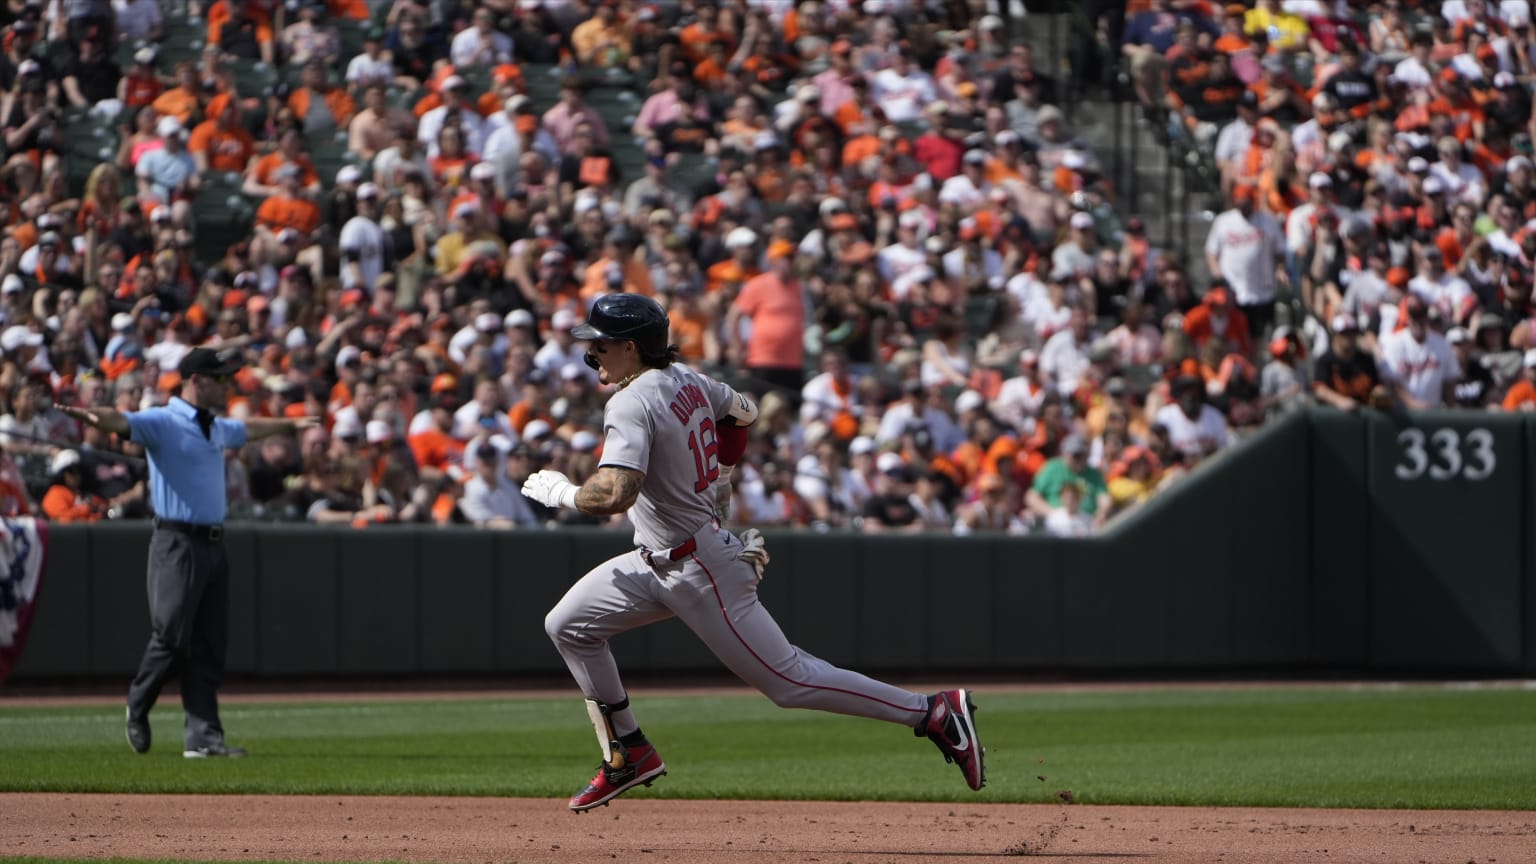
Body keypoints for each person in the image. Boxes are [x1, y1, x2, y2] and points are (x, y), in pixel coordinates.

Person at [520, 294, 985, 812]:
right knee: (568, 625)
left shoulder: (631, 401)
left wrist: (561, 493)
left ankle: (930, 712)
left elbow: (615, 494)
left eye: (600, 345)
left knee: (789, 680)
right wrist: (722, 475)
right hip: (656, 557)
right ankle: (629, 751)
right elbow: (744, 412)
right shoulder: (688, 379)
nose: (592, 355)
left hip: (698, 566)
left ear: (629, 347)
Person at [54, 348, 317, 758]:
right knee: (173, 635)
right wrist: (92, 417)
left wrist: (290, 423)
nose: (226, 385)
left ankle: (203, 737)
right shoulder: (165, 421)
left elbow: (248, 429)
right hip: (176, 541)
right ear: (197, 380)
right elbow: (122, 422)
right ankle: (138, 704)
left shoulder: (214, 426)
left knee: (210, 643)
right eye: (219, 378)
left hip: (212, 544)